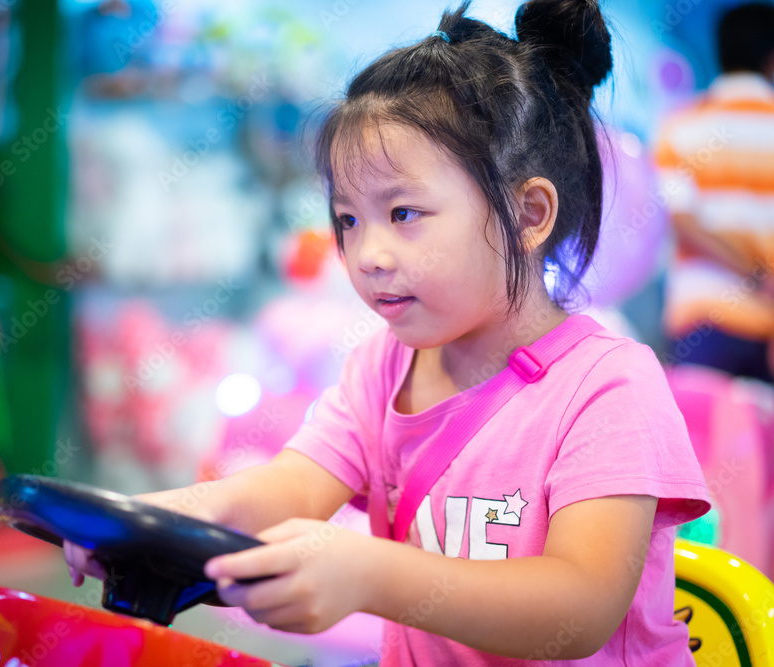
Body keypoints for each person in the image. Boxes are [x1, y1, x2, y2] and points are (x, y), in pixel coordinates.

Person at [67, 1, 711, 663]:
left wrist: (371, 573)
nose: (366, 252)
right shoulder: (384, 367)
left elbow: (578, 609)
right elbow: (282, 490)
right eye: (348, 219)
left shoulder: (607, 386)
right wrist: (141, 517)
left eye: (403, 212)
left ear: (528, 214)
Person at [654, 2, 774, 383]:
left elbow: (682, 220)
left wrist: (750, 272)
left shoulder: (680, 127)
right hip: (768, 328)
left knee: (699, 439)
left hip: (701, 319)